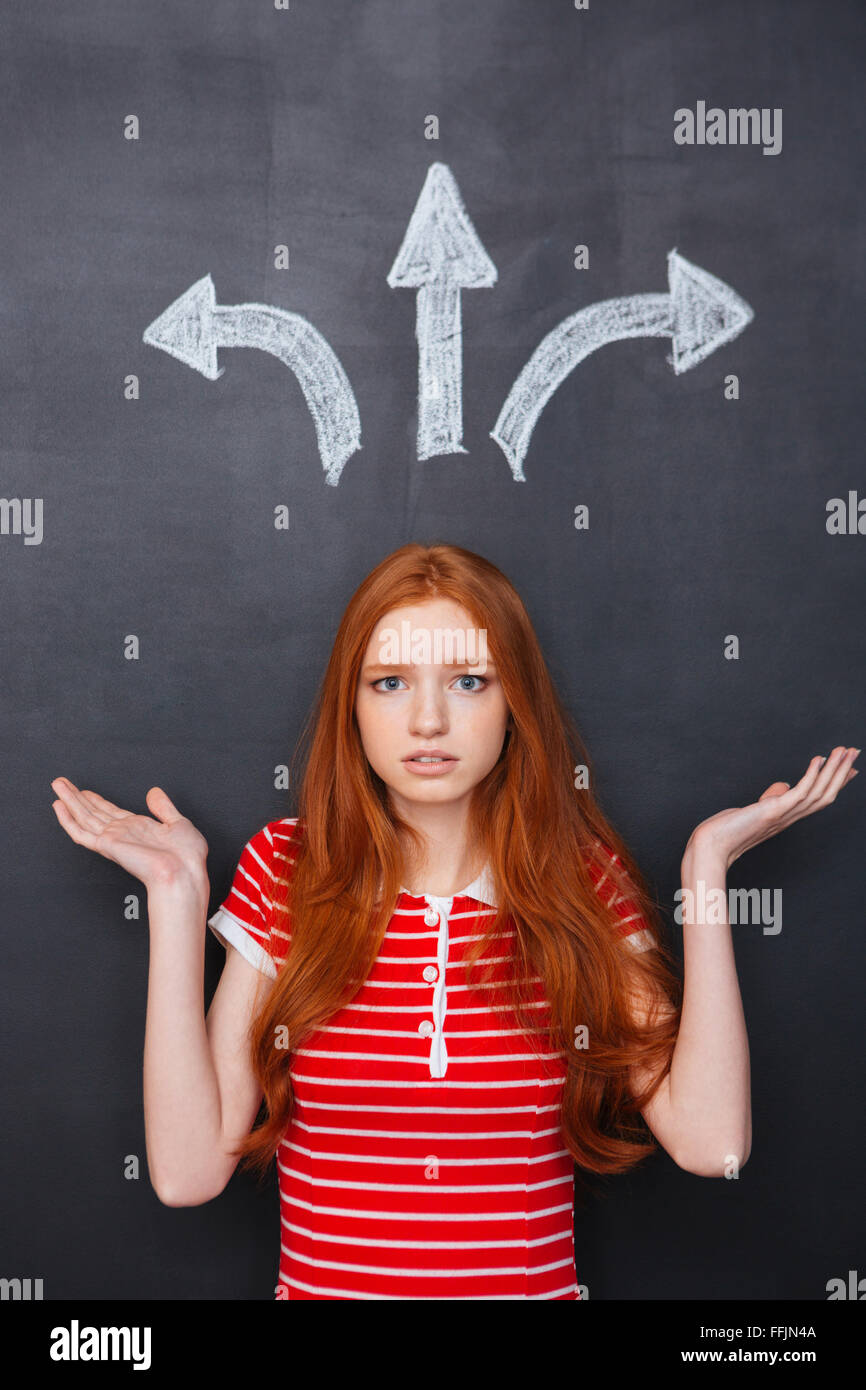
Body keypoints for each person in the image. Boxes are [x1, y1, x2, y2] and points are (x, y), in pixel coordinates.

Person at [50, 542, 858, 1300]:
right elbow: (187, 1173)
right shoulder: (287, 869)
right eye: (390, 682)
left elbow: (714, 1145)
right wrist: (175, 896)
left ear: (515, 703)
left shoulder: (580, 878)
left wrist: (705, 874)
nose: (428, 721)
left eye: (469, 680)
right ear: (352, 707)